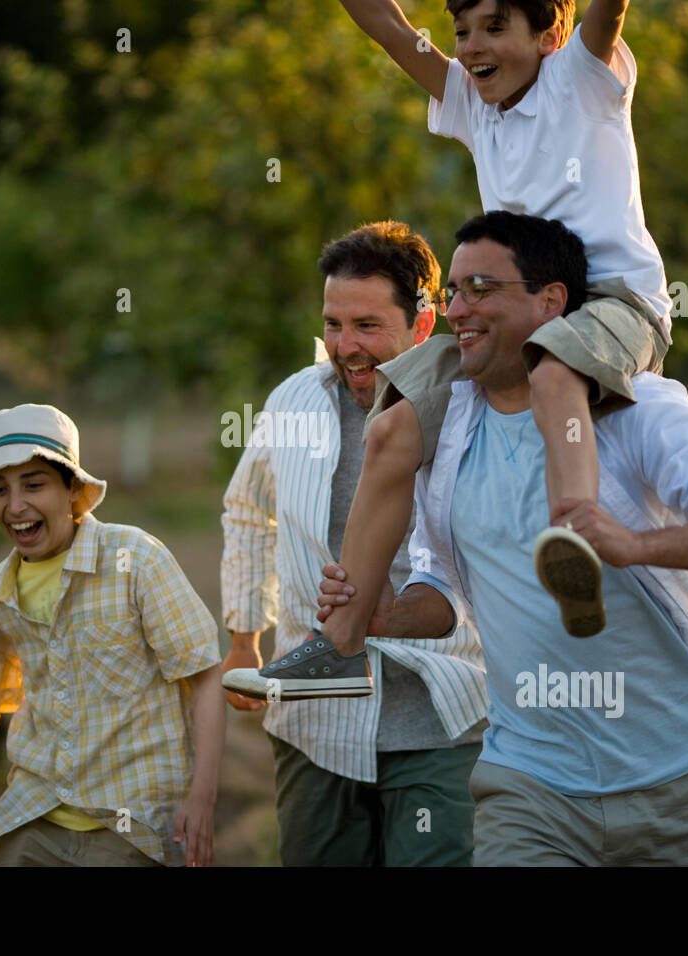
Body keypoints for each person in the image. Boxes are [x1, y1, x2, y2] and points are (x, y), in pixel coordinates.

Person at [318, 212, 688, 865]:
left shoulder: (642, 412)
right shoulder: (447, 433)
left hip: (679, 790)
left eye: (481, 289)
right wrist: (390, 615)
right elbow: (445, 590)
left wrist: (635, 546)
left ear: (552, 301)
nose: (458, 309)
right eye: (453, 291)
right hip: (527, 789)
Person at [307, 0, 670, 687]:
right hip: (508, 311)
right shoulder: (472, 104)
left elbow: (610, 11)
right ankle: (339, 637)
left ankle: (574, 543)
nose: (473, 47)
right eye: (463, 32)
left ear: (550, 34)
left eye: (495, 28)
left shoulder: (582, 78)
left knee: (555, 370)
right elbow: (388, 27)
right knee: (394, 421)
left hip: (613, 307)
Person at [220, 222, 487, 866]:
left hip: (441, 709)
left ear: (424, 323)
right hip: (316, 724)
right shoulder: (294, 400)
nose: (346, 347)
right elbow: (248, 510)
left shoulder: (473, 410)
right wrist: (243, 632)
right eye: (334, 324)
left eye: (368, 326)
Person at [0, 403, 224, 867]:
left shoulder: (136, 562)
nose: (15, 507)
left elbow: (205, 676)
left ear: (71, 488)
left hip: (132, 818)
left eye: (34, 485)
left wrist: (203, 799)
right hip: (37, 811)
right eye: (0, 490)